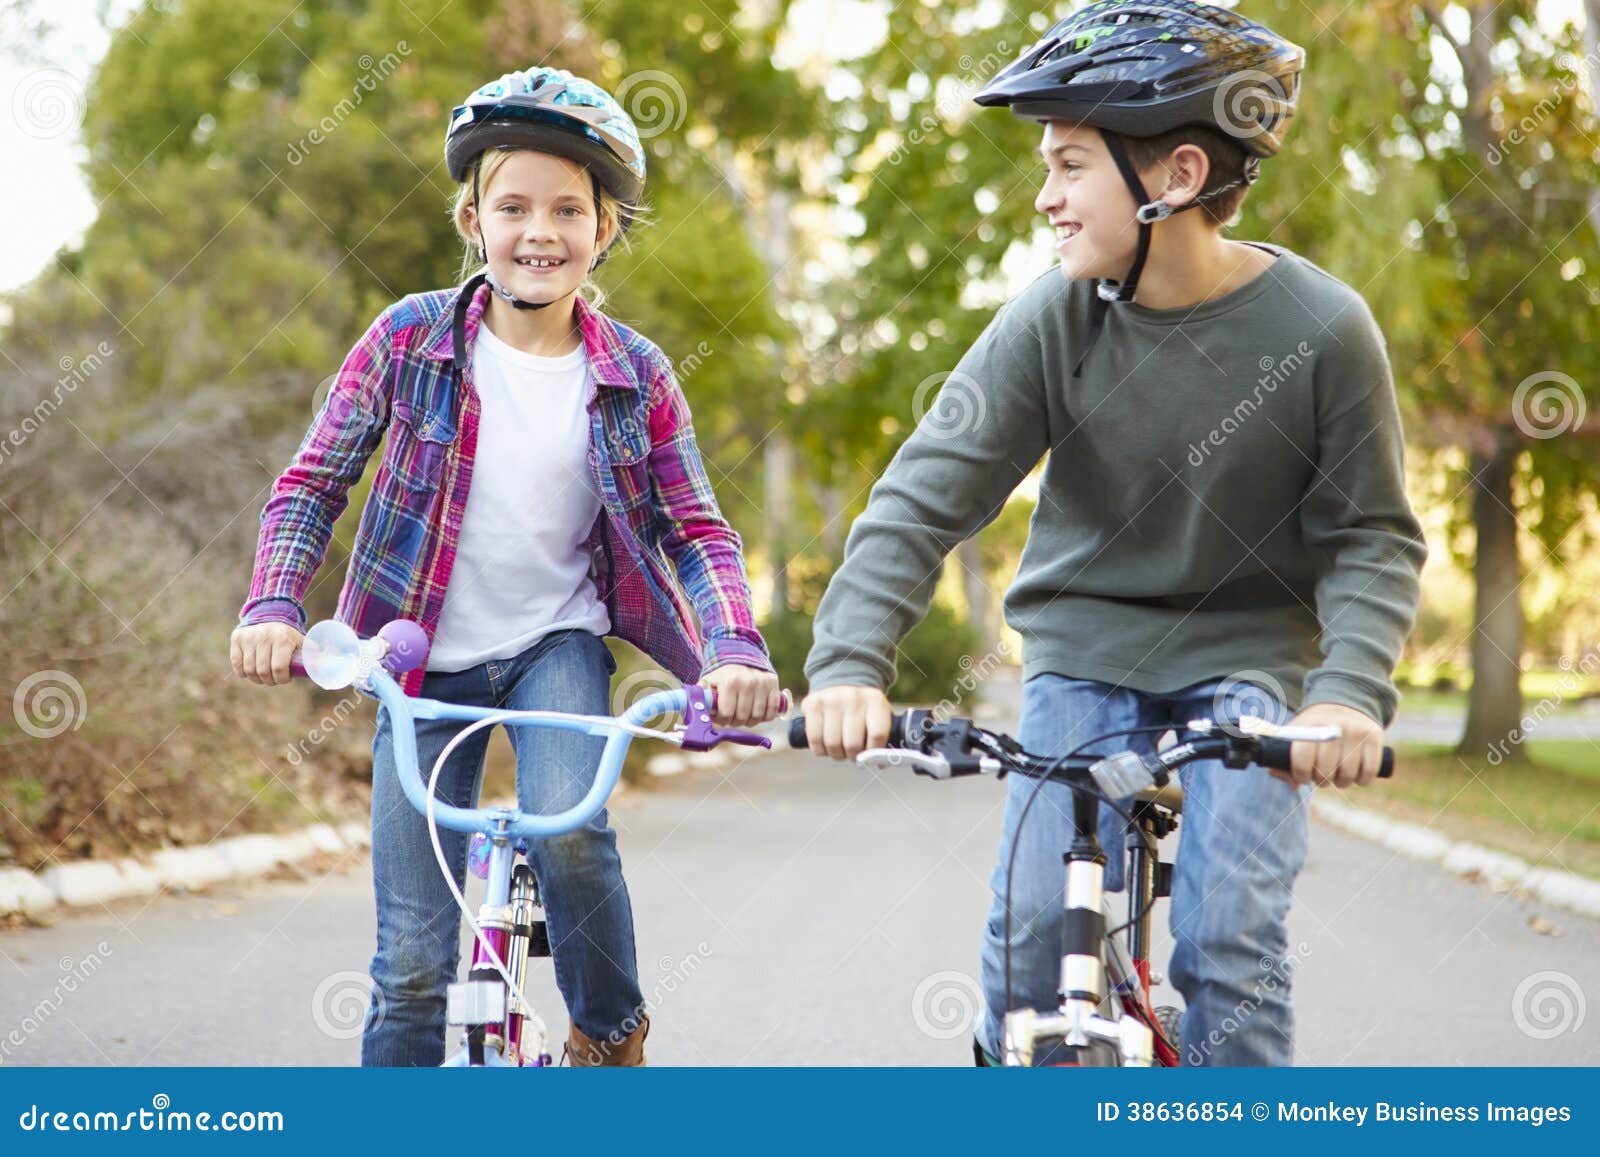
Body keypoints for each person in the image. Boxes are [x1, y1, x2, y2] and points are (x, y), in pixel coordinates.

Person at [800, 2, 1425, 1065]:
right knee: (1031, 942)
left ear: (1175, 177)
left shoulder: (1322, 329)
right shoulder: (1054, 318)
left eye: (1070, 165)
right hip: (1084, 660)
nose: (1044, 197)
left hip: (1252, 667)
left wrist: (1347, 692)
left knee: (1230, 941)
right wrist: (850, 661)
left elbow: (1372, 533)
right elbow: (921, 497)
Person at [230, 66, 782, 1066]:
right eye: (513, 205)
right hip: (413, 660)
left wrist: (732, 647)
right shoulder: (407, 340)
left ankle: (609, 1029)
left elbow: (693, 527)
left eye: (569, 209)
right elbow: (311, 482)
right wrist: (274, 602)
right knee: (407, 967)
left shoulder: (637, 374)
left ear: (605, 229)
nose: (540, 230)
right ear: (471, 218)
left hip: (551, 650)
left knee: (566, 828)